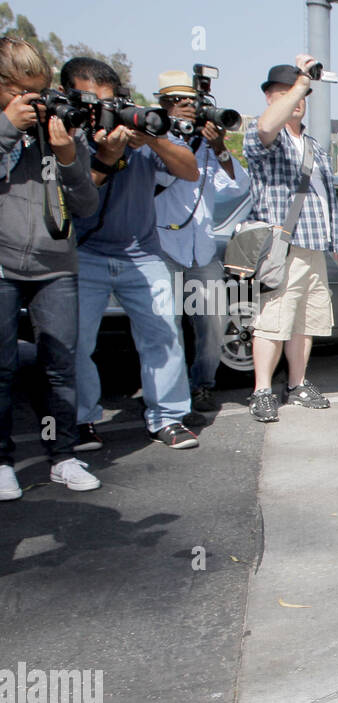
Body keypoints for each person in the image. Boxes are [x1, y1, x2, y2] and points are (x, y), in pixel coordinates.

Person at [64, 56, 201, 451]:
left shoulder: (140, 132)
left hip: (142, 254)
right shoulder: (66, 136)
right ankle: (81, 421)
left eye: (109, 103)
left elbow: (190, 170)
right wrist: (103, 155)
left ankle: (168, 418)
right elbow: (74, 197)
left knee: (163, 335)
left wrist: (153, 139)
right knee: (76, 341)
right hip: (83, 253)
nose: (102, 114)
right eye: (92, 104)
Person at [0, 38, 102, 498]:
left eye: (41, 92)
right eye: (25, 92)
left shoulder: (62, 128)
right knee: (1, 368)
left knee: (60, 366)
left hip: (56, 264)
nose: (38, 103)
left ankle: (62, 456)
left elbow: (84, 205)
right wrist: (6, 128)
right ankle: (3, 462)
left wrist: (66, 157)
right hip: (1, 263)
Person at [243, 56, 338, 423]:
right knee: (273, 320)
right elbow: (266, 127)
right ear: (270, 98)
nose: (296, 99)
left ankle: (297, 384)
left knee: (306, 321)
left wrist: (337, 238)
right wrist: (302, 81)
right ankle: (262, 390)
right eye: (284, 93)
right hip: (281, 244)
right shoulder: (264, 137)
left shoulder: (315, 145)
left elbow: (324, 194)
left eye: (301, 93)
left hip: (314, 245)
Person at [154, 69, 249, 412]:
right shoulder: (154, 138)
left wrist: (220, 148)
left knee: (211, 325)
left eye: (190, 103)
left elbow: (238, 186)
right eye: (176, 103)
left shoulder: (207, 145)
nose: (185, 109)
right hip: (161, 248)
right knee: (165, 329)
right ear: (162, 105)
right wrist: (177, 136)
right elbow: (161, 174)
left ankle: (202, 386)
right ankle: (171, 397)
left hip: (202, 251)